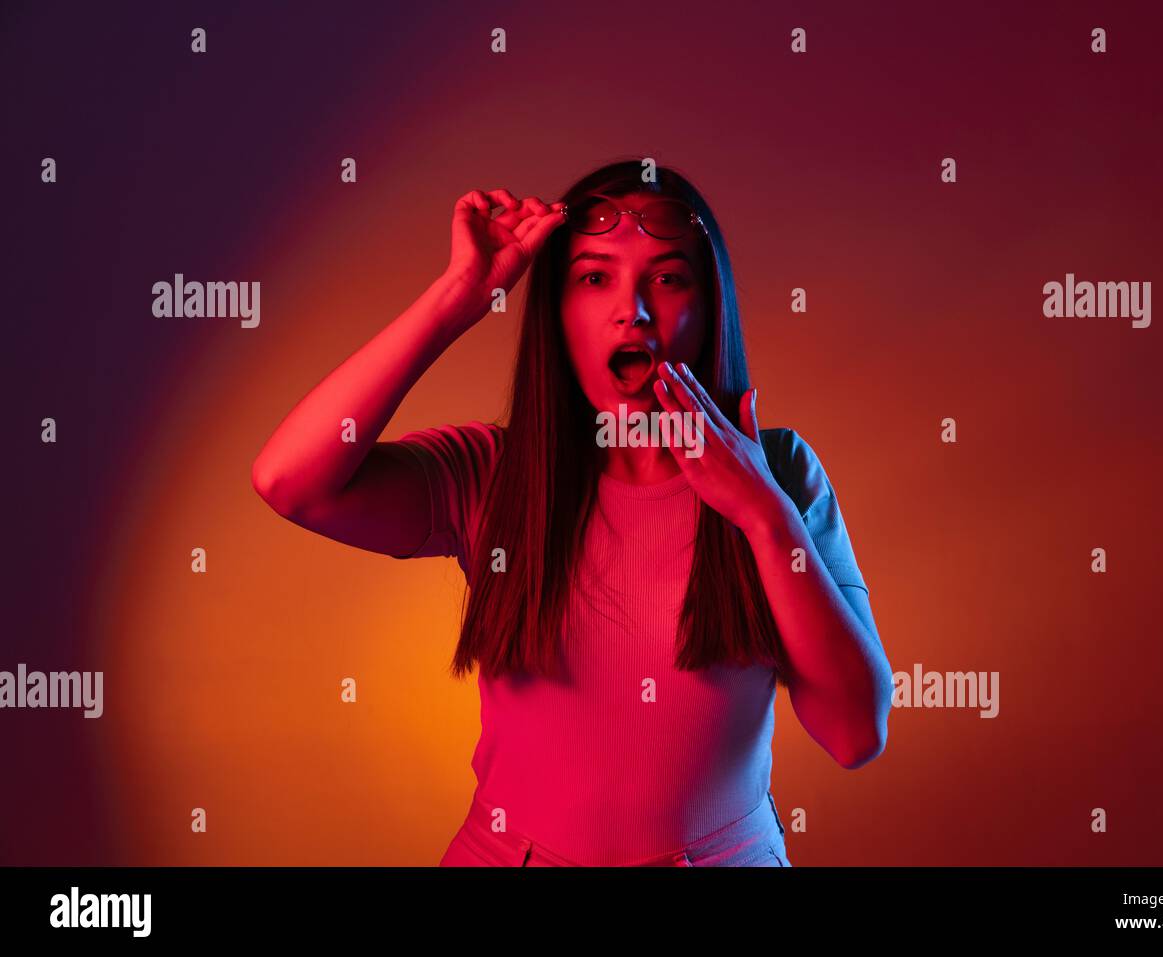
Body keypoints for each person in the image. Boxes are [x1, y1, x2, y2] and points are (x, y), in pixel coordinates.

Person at [251, 160, 894, 866]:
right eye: (594, 278)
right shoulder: (492, 472)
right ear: (556, 315)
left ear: (711, 311)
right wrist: (455, 299)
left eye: (669, 278)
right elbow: (289, 480)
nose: (633, 309)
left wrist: (764, 516)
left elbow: (855, 733)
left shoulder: (782, 476)